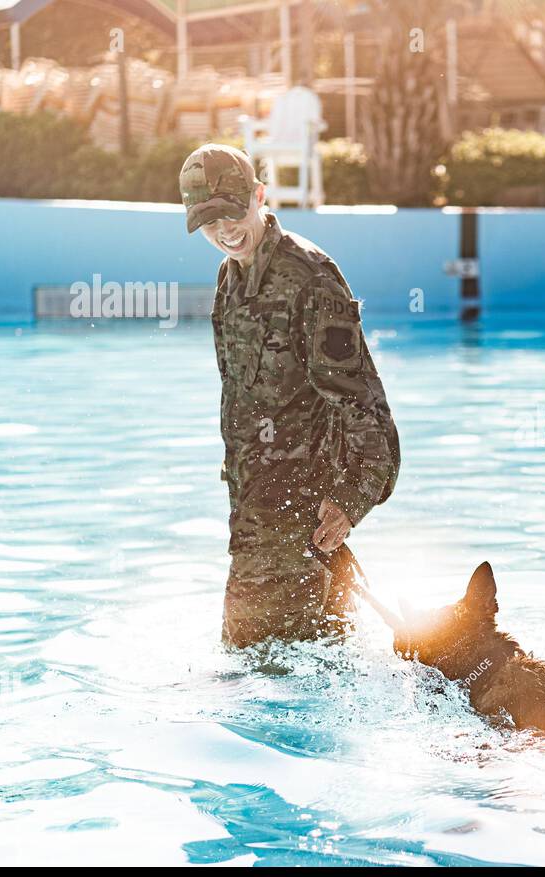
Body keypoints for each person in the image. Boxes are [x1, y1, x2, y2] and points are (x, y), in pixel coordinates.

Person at [179, 143, 400, 647]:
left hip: (295, 528)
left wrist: (350, 501)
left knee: (252, 688)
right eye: (209, 223)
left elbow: (364, 404)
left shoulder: (311, 279)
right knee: (303, 684)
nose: (224, 232)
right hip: (261, 520)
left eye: (233, 215)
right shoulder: (231, 276)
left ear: (259, 196)